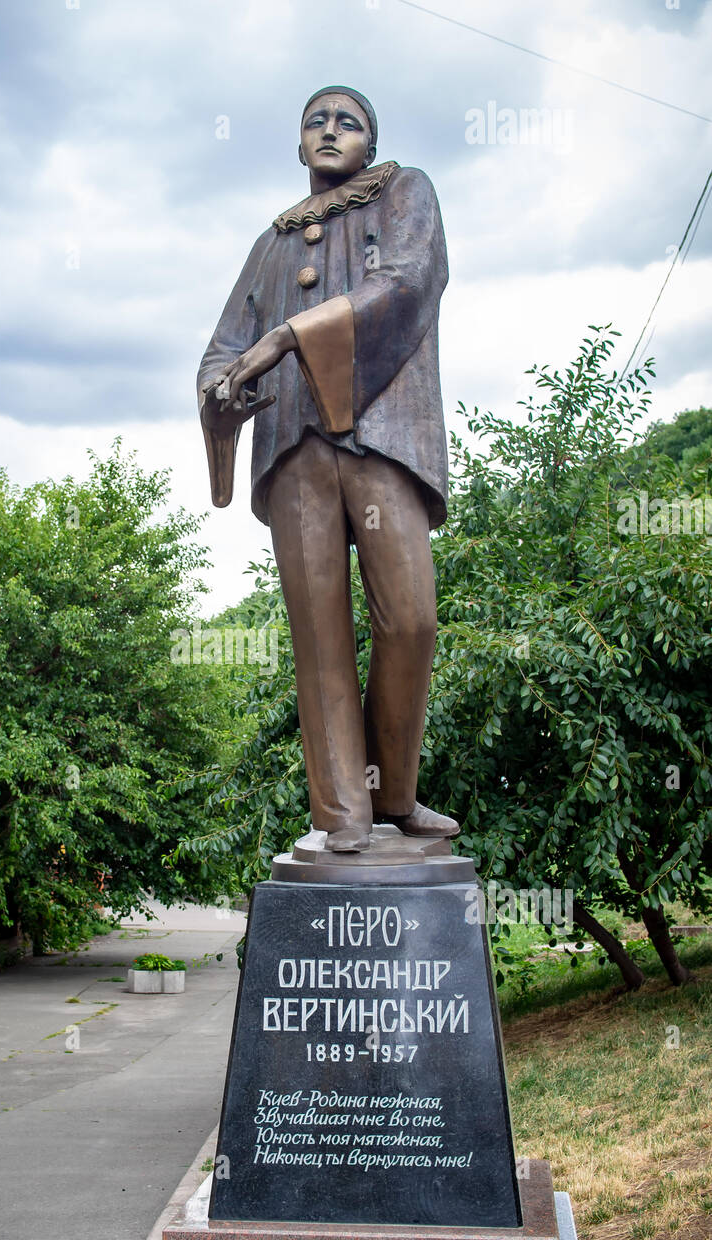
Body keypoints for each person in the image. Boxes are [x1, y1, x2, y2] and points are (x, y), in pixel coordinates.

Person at [198, 85, 458, 852]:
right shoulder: (271, 242)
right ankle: (341, 813)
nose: (329, 130)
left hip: (380, 434)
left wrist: (287, 337)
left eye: (348, 121)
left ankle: (394, 796)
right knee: (318, 638)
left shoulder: (403, 191)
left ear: (370, 144)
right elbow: (224, 345)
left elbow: (408, 282)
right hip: (292, 450)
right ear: (298, 142)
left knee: (410, 621)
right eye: (315, 120)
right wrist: (220, 391)